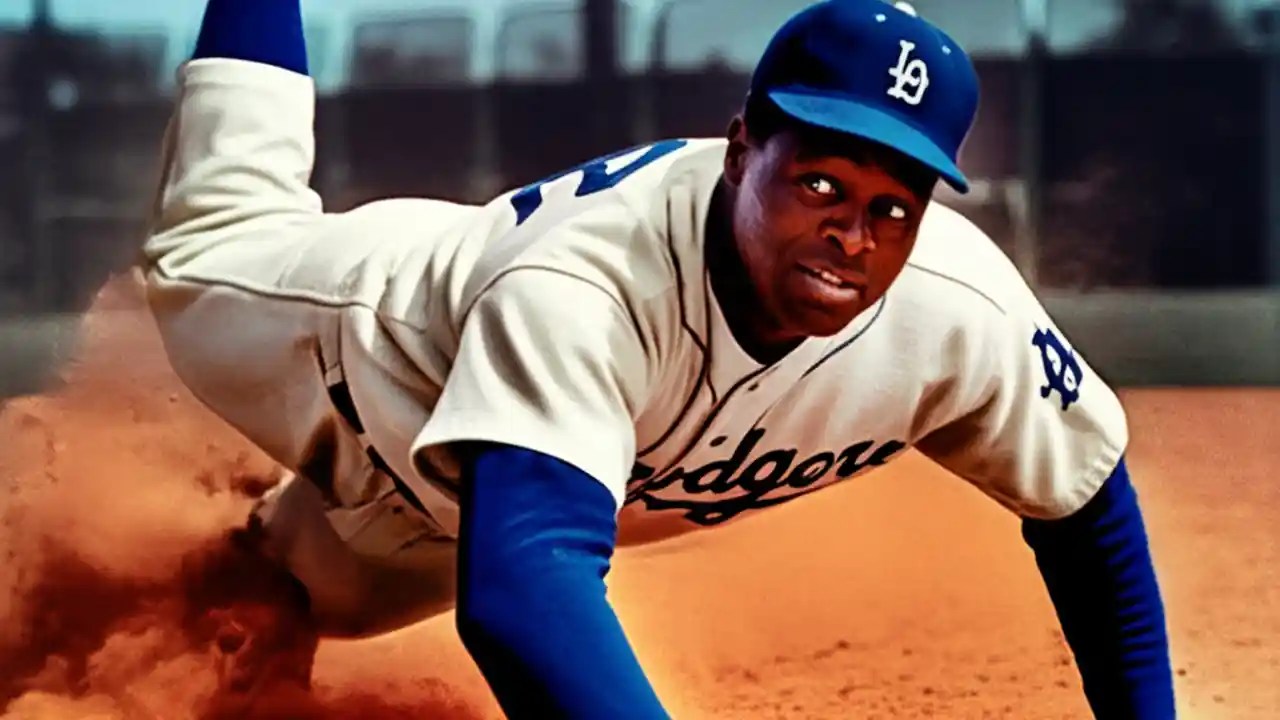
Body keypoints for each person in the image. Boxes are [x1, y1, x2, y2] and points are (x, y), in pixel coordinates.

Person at [141, 0, 1177, 717]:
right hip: (350, 351)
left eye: (889, 206)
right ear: (739, 151)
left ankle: (248, 550)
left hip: (453, 506)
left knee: (273, 602)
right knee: (206, 239)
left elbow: (1086, 506)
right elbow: (523, 593)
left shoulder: (958, 313)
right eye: (818, 182)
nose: (852, 233)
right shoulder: (590, 286)